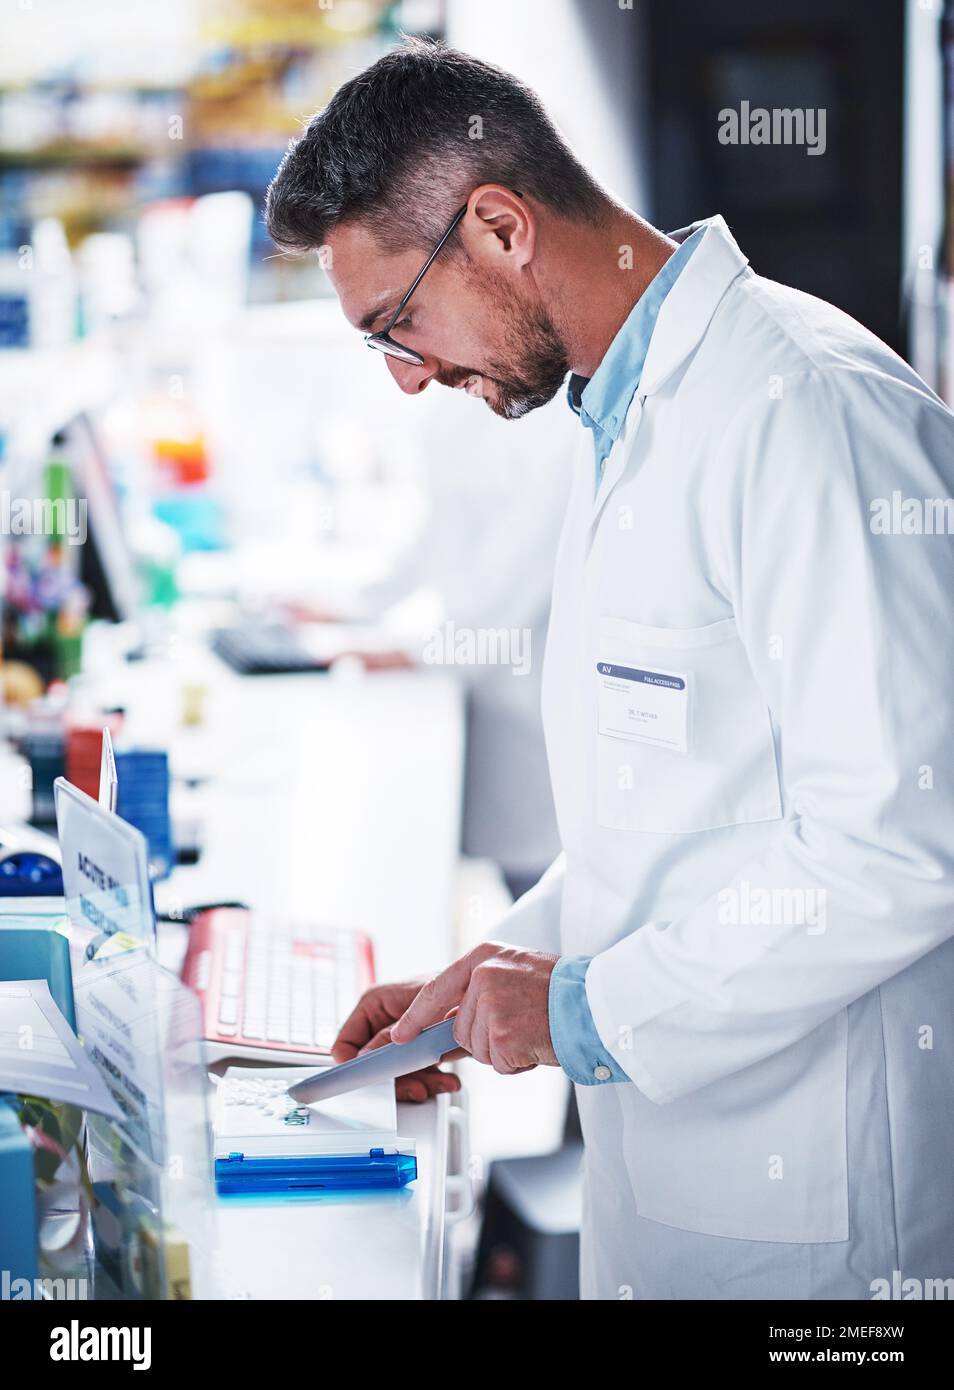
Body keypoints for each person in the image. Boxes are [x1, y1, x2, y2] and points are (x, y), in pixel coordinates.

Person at [265, 39, 954, 1299]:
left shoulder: (806, 412)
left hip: (827, 1220)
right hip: (684, 1191)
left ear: (499, 227)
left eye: (398, 326)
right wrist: (502, 974)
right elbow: (685, 807)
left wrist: (585, 1008)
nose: (411, 379)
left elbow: (906, 841)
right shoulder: (621, 412)